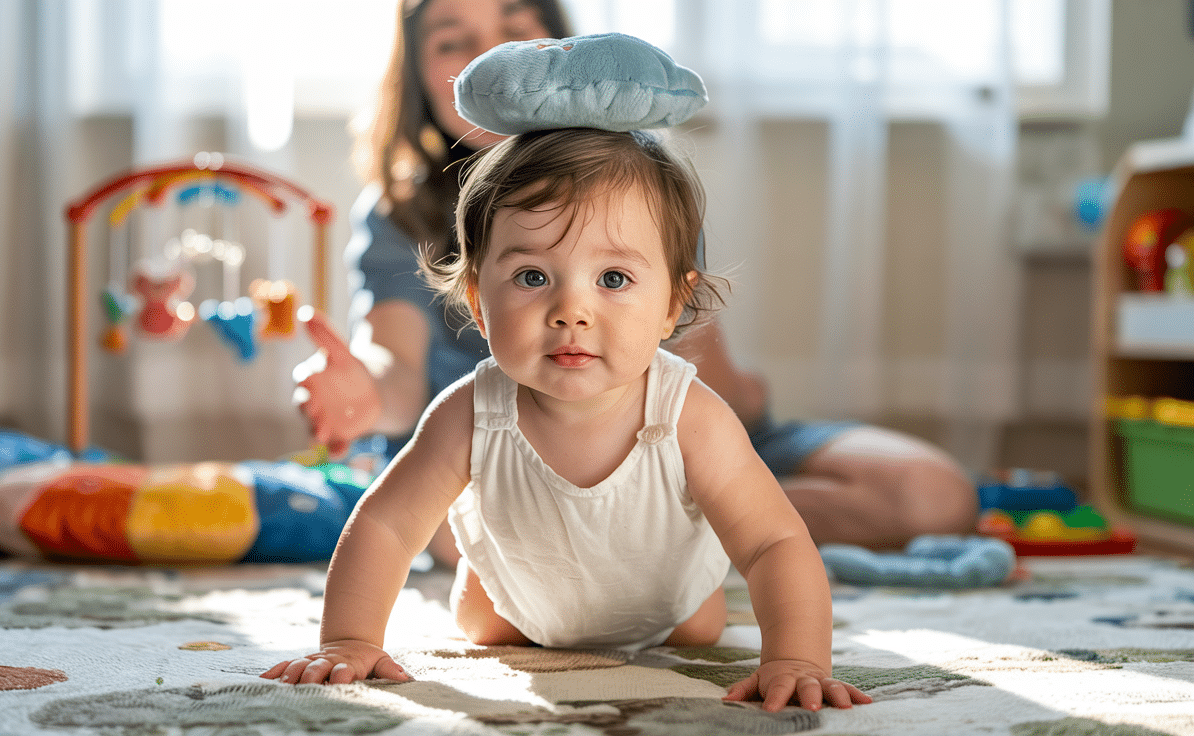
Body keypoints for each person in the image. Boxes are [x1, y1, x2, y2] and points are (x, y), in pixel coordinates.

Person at [294, 0, 976, 554]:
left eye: (511, 28)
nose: (486, 53)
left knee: (933, 494)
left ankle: (673, 533)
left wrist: (728, 428)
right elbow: (397, 368)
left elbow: (710, 381)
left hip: (675, 436)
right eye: (453, 41)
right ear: (417, 76)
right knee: (451, 529)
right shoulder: (400, 211)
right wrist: (362, 397)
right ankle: (633, 536)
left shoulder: (642, 189)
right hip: (502, 459)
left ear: (554, 45)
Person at [265, 127, 874, 712]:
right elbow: (386, 528)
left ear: (671, 305)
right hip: (516, 608)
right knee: (480, 618)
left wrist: (798, 660)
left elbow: (772, 542)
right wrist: (350, 640)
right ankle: (500, 595)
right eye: (532, 277)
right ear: (479, 301)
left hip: (670, 612)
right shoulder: (467, 413)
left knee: (702, 623)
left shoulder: (689, 416)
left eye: (613, 278)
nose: (570, 311)